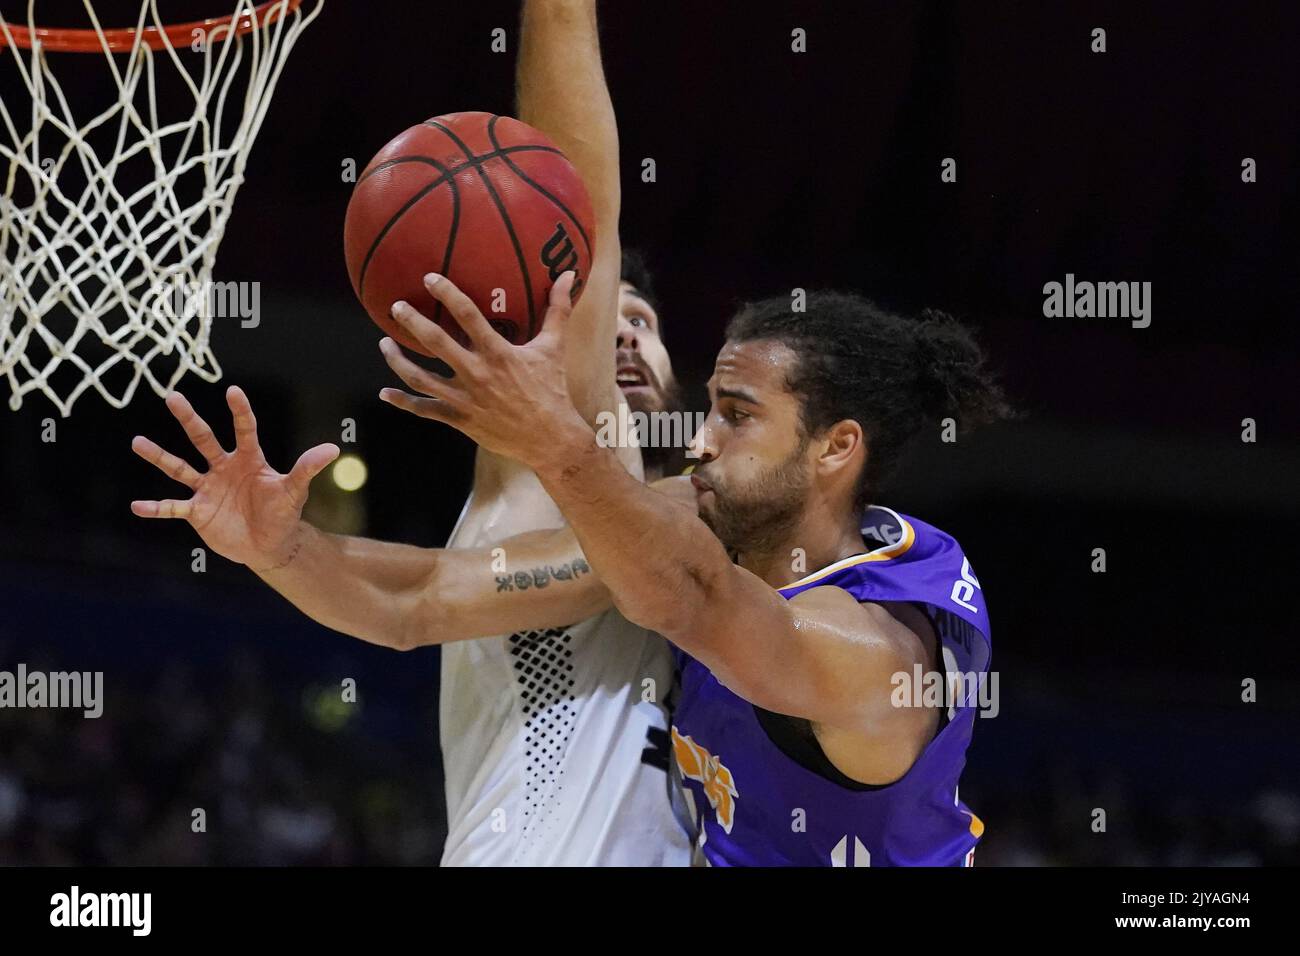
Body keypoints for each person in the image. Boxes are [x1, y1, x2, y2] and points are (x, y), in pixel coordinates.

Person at [129, 0, 691, 867]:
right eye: (605, 320)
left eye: (645, 325)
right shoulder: (555, 472)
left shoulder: (720, 556)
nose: (622, 337)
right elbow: (412, 604)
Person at [377, 273, 1012, 866]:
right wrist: (281, 548)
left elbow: (685, 597)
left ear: (837, 445)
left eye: (737, 416)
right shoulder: (723, 518)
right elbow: (437, 594)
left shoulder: (878, 655)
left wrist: (550, 438)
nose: (699, 441)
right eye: (710, 409)